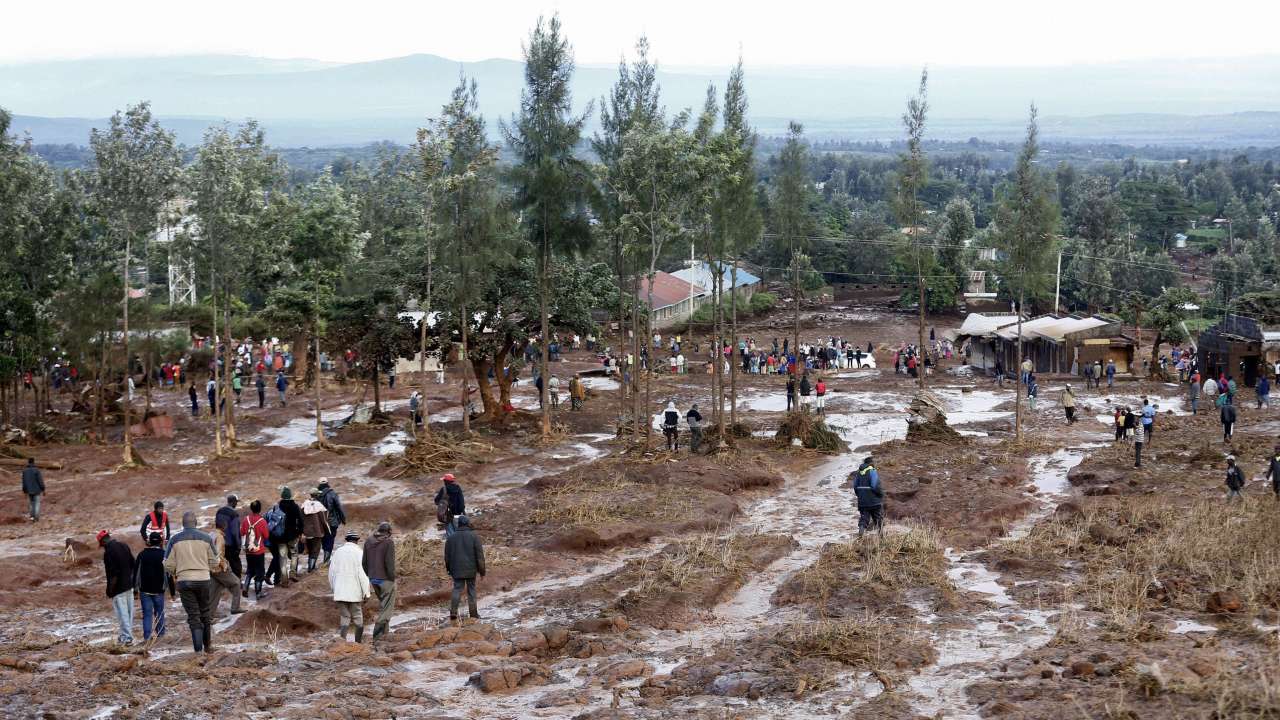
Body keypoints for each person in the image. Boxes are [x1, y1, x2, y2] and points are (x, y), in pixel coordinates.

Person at [165, 511, 220, 652]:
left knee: (194, 617)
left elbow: (167, 564)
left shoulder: (174, 539)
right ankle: (208, 647)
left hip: (184, 581)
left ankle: (198, 652)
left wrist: (177, 572)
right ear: (195, 523)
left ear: (183, 524)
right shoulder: (206, 538)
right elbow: (214, 562)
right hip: (203, 580)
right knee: (205, 613)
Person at [328, 531, 371, 642]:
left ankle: (342, 642)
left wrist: (334, 588)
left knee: (344, 616)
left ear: (346, 540)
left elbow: (331, 573)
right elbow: (363, 575)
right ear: (357, 540)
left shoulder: (338, 552)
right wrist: (366, 592)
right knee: (357, 616)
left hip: (340, 591)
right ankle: (358, 642)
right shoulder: (359, 553)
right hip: (354, 591)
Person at [444, 515, 486, 624]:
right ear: (467, 523)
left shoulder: (450, 538)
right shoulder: (474, 536)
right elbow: (480, 556)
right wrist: (482, 572)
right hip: (471, 570)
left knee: (457, 589)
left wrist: (449, 569)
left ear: (458, 524)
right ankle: (473, 614)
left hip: (456, 570)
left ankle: (453, 612)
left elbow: (447, 557)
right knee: (471, 590)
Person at [98, 530, 135, 645]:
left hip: (118, 589)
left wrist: (110, 590)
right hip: (129, 585)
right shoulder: (124, 545)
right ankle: (126, 636)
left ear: (103, 542)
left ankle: (126, 638)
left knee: (122, 614)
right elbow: (133, 564)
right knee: (129, 613)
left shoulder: (108, 552)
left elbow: (113, 574)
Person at [363, 521, 397, 641]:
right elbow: (389, 563)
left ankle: (385, 634)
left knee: (383, 605)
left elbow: (364, 563)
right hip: (386, 579)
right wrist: (392, 578)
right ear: (389, 532)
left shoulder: (368, 541)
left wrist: (370, 575)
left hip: (373, 578)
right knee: (387, 608)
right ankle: (377, 632)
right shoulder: (388, 542)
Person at [134, 531, 170, 644]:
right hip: (159, 590)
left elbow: (136, 573)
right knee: (159, 612)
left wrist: (135, 589)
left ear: (148, 542)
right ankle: (161, 635)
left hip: (145, 590)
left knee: (147, 614)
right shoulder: (164, 555)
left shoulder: (141, 555)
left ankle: (147, 637)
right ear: (160, 542)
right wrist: (172, 591)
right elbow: (168, 574)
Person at [209, 516, 245, 618]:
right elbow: (218, 554)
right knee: (236, 583)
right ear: (224, 526)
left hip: (211, 567)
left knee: (215, 590)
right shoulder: (220, 537)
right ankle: (235, 608)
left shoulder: (211, 534)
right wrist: (225, 565)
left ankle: (209, 615)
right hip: (218, 568)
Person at [239, 500, 269, 600]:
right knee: (260, 572)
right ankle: (258, 592)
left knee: (250, 570)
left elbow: (242, 532)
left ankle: (246, 587)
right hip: (258, 551)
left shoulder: (245, 519)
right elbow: (266, 535)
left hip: (248, 550)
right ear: (260, 509)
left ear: (251, 509)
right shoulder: (262, 521)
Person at [276, 487, 305, 582]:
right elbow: (301, 521)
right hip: (293, 535)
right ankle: (292, 573)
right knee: (294, 554)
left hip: (280, 537)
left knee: (282, 558)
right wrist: (300, 532)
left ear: (282, 496)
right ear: (290, 496)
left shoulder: (277, 506)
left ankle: (284, 580)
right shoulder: (295, 506)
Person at [852, 456, 884, 537]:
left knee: (864, 517)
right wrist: (880, 494)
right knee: (878, 517)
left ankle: (861, 531)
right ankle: (881, 536)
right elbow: (874, 485)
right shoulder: (872, 471)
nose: (874, 464)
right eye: (873, 462)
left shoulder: (858, 473)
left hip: (862, 501)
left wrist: (860, 495)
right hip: (873, 500)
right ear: (870, 463)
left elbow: (855, 487)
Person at [318, 479, 346, 564]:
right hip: (332, 522)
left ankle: (325, 559)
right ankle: (326, 560)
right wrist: (343, 518)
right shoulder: (333, 494)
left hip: (321, 522)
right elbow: (339, 507)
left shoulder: (317, 494)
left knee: (324, 539)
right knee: (330, 539)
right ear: (327, 484)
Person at [301, 490, 330, 573]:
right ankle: (311, 568)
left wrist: (302, 531)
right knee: (315, 550)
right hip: (317, 532)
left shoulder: (304, 505)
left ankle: (310, 566)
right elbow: (324, 521)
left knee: (310, 549)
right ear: (317, 495)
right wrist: (328, 531)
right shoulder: (319, 506)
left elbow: (301, 519)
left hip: (306, 532)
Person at [214, 495, 241, 581]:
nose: (236, 504)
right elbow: (235, 532)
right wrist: (238, 545)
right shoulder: (234, 514)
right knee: (236, 565)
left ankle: (223, 582)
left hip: (220, 541)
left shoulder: (219, 511)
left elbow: (217, 526)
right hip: (231, 544)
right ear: (233, 502)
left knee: (222, 563)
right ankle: (237, 583)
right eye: (236, 502)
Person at [21, 458, 44, 522]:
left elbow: (24, 482)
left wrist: (24, 491)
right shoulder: (37, 470)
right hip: (37, 490)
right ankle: (36, 517)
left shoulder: (24, 471)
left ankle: (32, 517)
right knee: (37, 503)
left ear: (28, 462)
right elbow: (40, 481)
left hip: (29, 490)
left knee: (31, 503)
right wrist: (43, 489)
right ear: (34, 462)